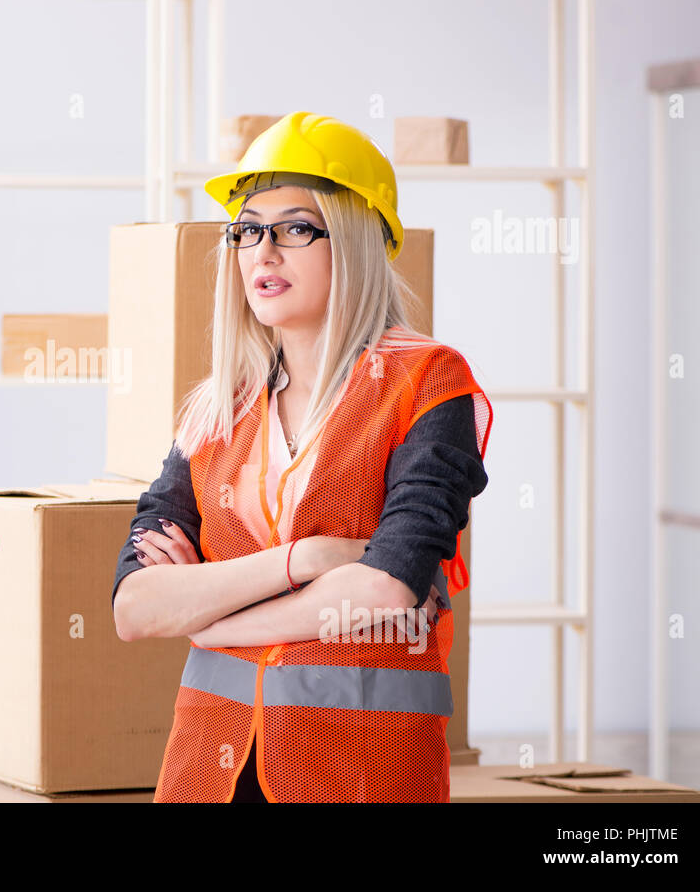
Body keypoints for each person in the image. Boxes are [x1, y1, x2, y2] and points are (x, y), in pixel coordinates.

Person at [111, 111, 492, 803]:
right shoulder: (214, 411)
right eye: (248, 230)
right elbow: (135, 608)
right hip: (211, 773)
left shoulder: (427, 382)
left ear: (350, 240)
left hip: (363, 773)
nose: (263, 251)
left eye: (294, 228)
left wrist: (210, 618)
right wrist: (306, 560)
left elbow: (387, 585)